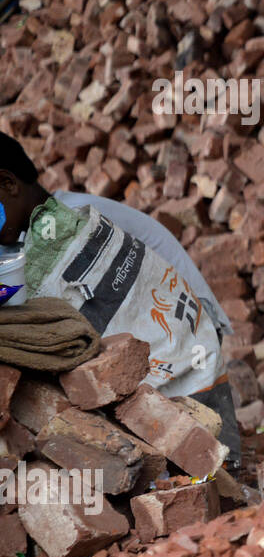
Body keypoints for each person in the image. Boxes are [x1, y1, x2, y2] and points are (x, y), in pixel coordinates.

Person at [0, 130, 241, 467]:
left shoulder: (71, 221)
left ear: (7, 184)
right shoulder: (39, 227)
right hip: (165, 330)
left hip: (190, 329)